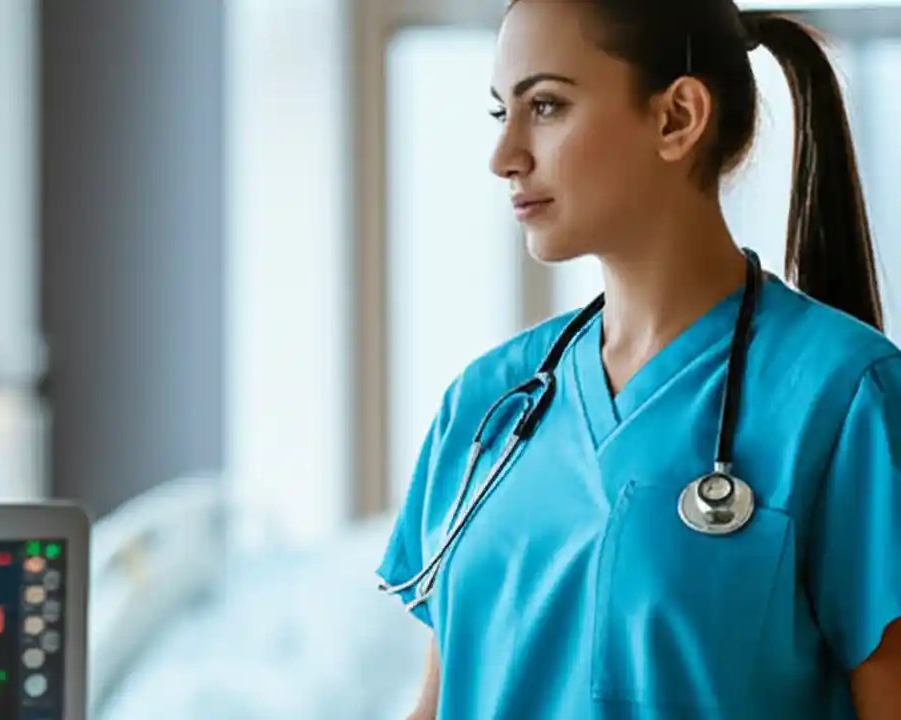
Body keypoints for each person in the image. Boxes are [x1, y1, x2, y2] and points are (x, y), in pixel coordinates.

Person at [375, 2, 901, 718]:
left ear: (677, 117)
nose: (505, 157)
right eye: (503, 113)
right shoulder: (487, 403)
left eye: (548, 106)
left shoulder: (843, 395)